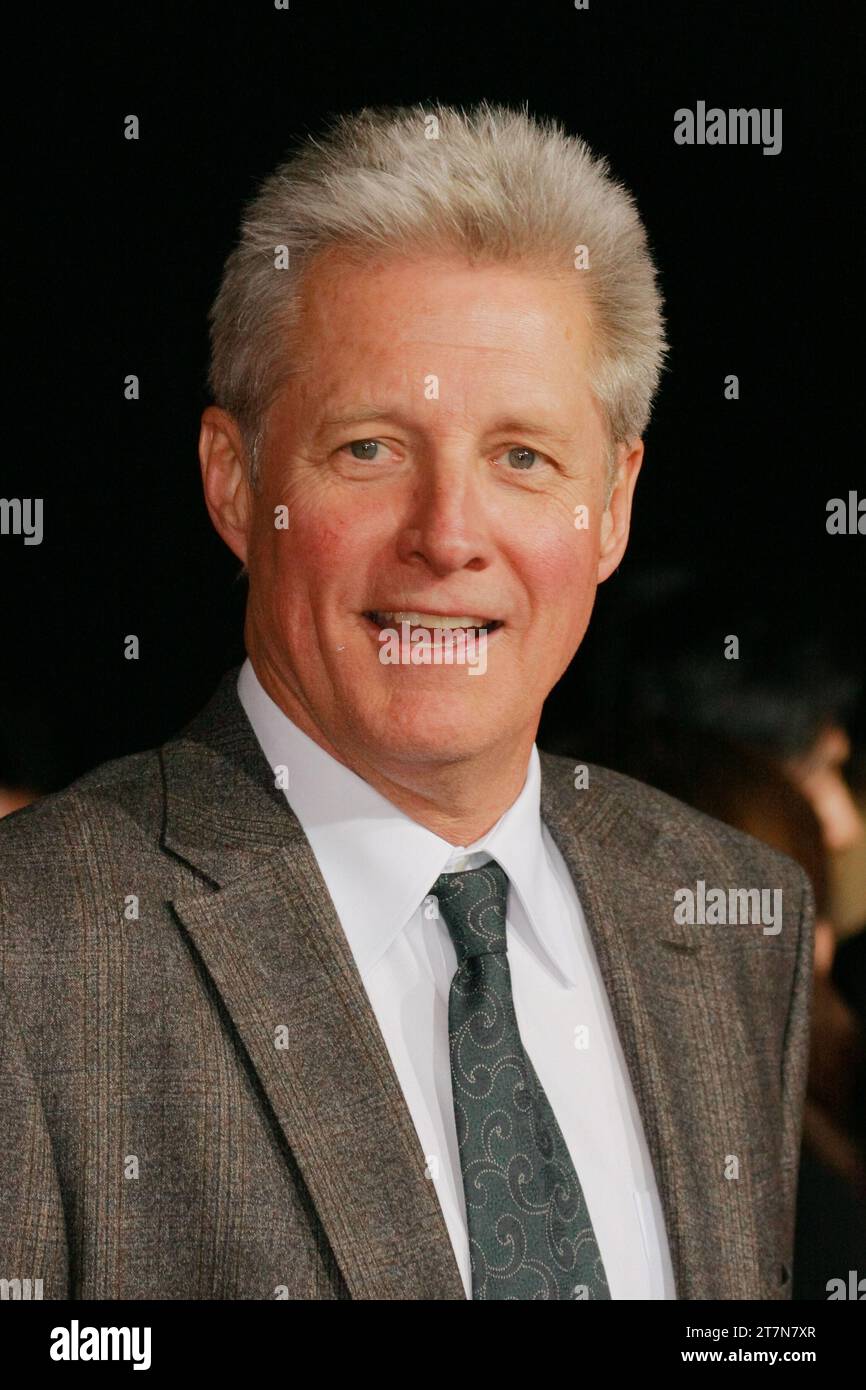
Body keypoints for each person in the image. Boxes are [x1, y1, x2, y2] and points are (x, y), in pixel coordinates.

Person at [0, 101, 813, 1301]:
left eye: (522, 457)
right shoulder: (37, 949)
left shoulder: (735, 923)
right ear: (234, 483)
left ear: (613, 504)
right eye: (370, 449)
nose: (446, 535)